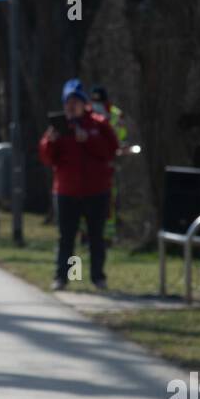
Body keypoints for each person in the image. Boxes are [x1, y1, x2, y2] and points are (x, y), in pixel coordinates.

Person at [39, 78, 119, 291]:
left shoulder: (98, 123)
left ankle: (97, 277)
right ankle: (62, 277)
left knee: (96, 237)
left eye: (75, 102)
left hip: (96, 191)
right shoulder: (58, 126)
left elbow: (112, 151)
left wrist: (89, 140)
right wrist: (51, 141)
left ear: (84, 103)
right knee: (66, 237)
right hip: (66, 191)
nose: (71, 106)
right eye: (68, 102)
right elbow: (47, 159)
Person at [89, 86, 128, 241]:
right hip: (88, 165)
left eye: (99, 101)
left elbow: (122, 138)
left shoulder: (116, 115)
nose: (96, 105)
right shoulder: (86, 114)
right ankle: (86, 235)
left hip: (109, 164)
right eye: (94, 101)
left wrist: (122, 147)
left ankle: (107, 236)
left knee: (109, 200)